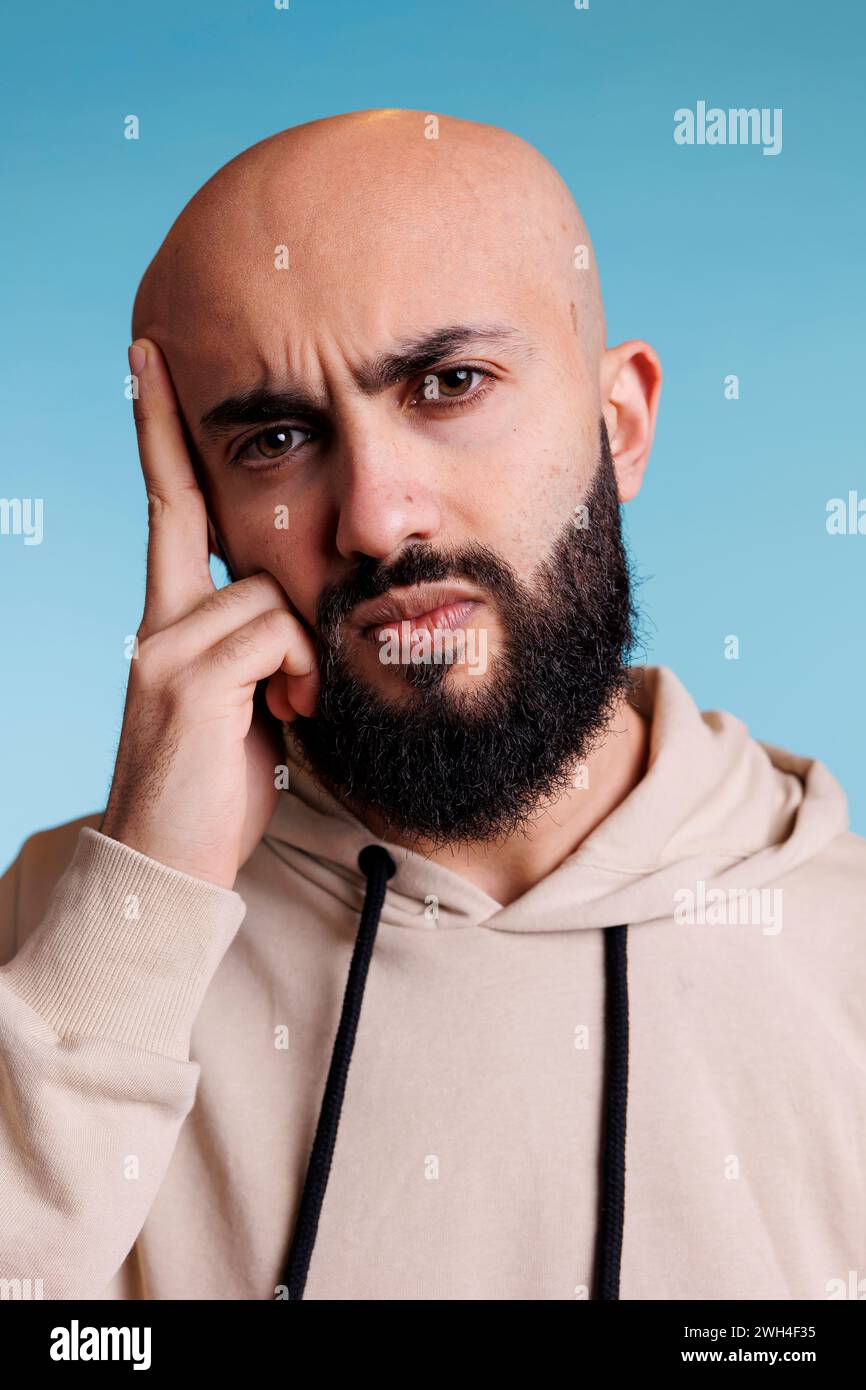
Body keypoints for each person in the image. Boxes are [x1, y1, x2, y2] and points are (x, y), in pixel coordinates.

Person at [1, 109, 863, 1302]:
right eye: (276, 439)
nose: (372, 516)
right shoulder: (66, 935)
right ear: (196, 512)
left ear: (617, 430)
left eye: (448, 385)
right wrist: (141, 910)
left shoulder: (841, 945)